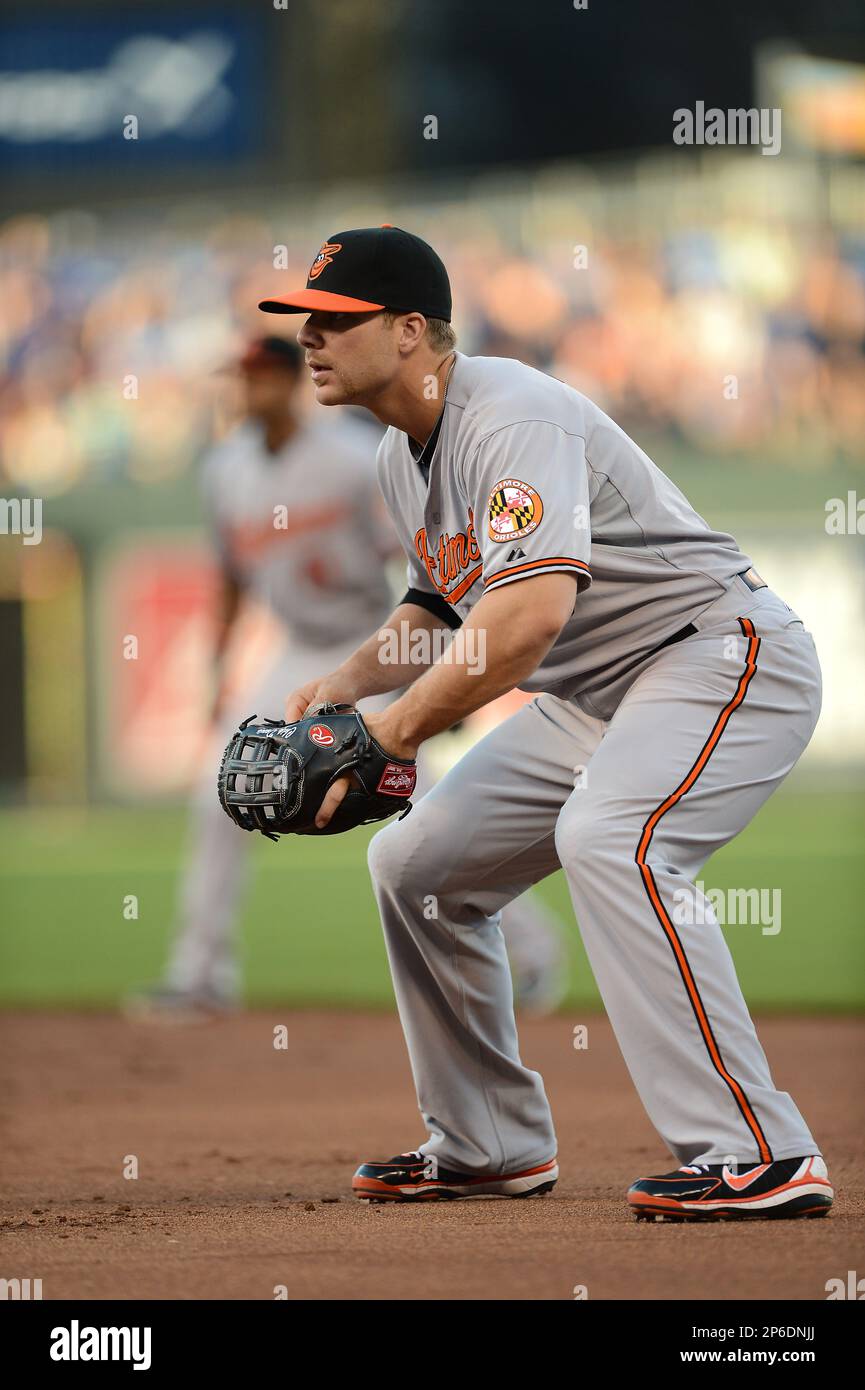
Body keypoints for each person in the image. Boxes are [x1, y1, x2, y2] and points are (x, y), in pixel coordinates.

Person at [256, 225, 833, 1220]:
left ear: (406, 332)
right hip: (596, 695)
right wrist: (345, 686)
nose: (308, 335)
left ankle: (762, 1151)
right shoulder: (403, 454)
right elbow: (440, 610)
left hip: (715, 653)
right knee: (416, 867)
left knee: (614, 839)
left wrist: (394, 736)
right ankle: (485, 1143)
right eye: (303, 318)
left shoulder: (509, 415)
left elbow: (524, 620)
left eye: (333, 319)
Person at [131, 334, 567, 1021]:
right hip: (295, 650)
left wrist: (437, 665)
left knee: (422, 807)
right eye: (239, 378)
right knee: (223, 792)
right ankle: (201, 972)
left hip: (377, 640)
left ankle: (535, 953)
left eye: (261, 376)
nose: (249, 390)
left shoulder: (351, 459)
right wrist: (218, 668)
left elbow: (425, 563)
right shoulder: (225, 470)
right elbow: (229, 580)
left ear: (285, 381)